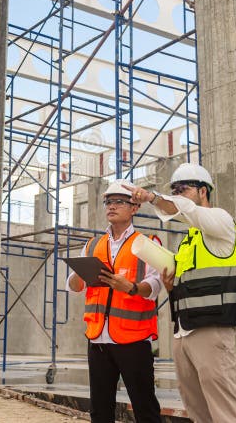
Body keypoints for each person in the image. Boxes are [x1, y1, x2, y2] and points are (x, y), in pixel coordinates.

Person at [122, 163, 236, 423]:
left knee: (223, 407)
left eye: (183, 189)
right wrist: (171, 285)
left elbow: (187, 210)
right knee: (196, 407)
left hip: (212, 329)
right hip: (184, 330)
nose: (178, 194)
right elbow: (187, 283)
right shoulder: (189, 239)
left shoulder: (221, 221)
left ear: (203, 191)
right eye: (174, 190)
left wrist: (152, 198)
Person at [67, 179, 163, 423]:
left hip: (133, 339)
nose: (111, 206)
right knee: (100, 410)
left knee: (145, 408)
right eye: (108, 201)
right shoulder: (92, 245)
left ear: (134, 208)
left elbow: (155, 286)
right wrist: (80, 275)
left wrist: (130, 287)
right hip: (98, 339)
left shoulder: (147, 243)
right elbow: (73, 285)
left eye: (119, 201)